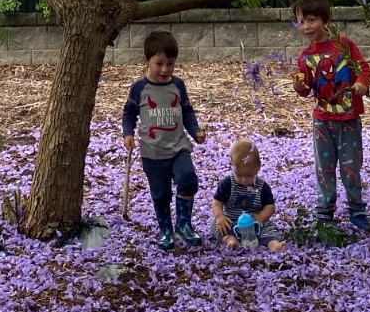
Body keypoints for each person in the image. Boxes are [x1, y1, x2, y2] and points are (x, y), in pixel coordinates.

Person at [292, 0, 370, 232]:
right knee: (324, 170)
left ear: (325, 20)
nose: (306, 26)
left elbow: (363, 68)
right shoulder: (305, 56)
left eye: (311, 20)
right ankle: (324, 213)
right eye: (301, 21)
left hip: (348, 120)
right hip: (322, 122)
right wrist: (299, 86)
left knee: (351, 168)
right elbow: (305, 88)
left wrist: (361, 83)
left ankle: (356, 210)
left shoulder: (343, 44)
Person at [122, 29, 206, 250]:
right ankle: (166, 230)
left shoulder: (177, 86)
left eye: (170, 64)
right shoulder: (139, 88)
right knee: (161, 194)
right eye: (159, 64)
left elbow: (187, 111)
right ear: (146, 61)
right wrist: (128, 133)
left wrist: (196, 131)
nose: (165, 69)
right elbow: (129, 113)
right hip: (153, 152)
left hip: (179, 147)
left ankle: (184, 225)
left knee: (188, 180)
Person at [212, 139, 287, 252]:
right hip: (232, 222)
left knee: (269, 226)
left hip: (255, 224)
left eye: (249, 176)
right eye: (240, 175)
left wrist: (261, 216)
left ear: (258, 167)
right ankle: (231, 240)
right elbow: (217, 202)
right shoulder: (228, 183)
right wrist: (220, 217)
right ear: (231, 165)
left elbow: (270, 206)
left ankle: (273, 244)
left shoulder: (262, 186)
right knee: (215, 225)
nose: (244, 180)